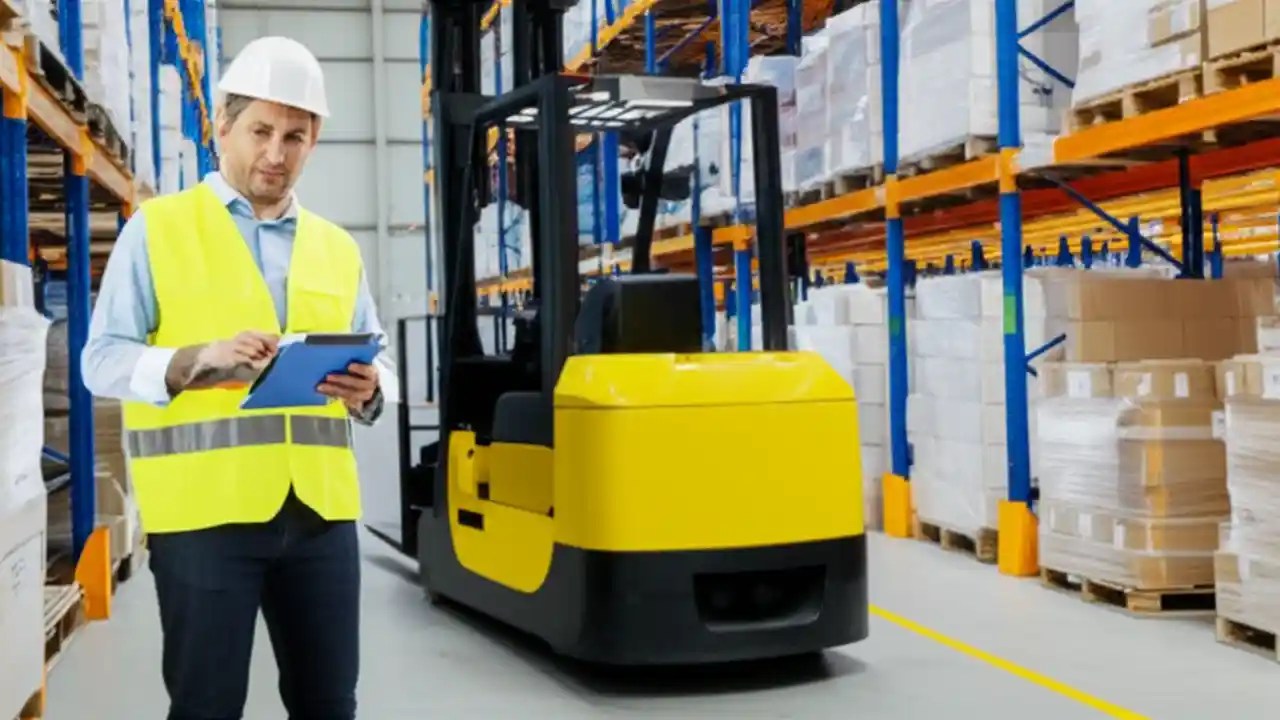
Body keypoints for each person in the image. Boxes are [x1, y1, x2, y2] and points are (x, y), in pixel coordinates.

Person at [81, 35, 394, 720]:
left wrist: (371, 391)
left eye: (296, 136)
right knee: (207, 706)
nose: (276, 154)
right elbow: (99, 358)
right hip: (203, 519)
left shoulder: (337, 248)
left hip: (320, 517)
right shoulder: (157, 229)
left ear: (314, 142)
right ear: (221, 124)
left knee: (329, 703)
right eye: (260, 131)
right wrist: (193, 362)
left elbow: (378, 358)